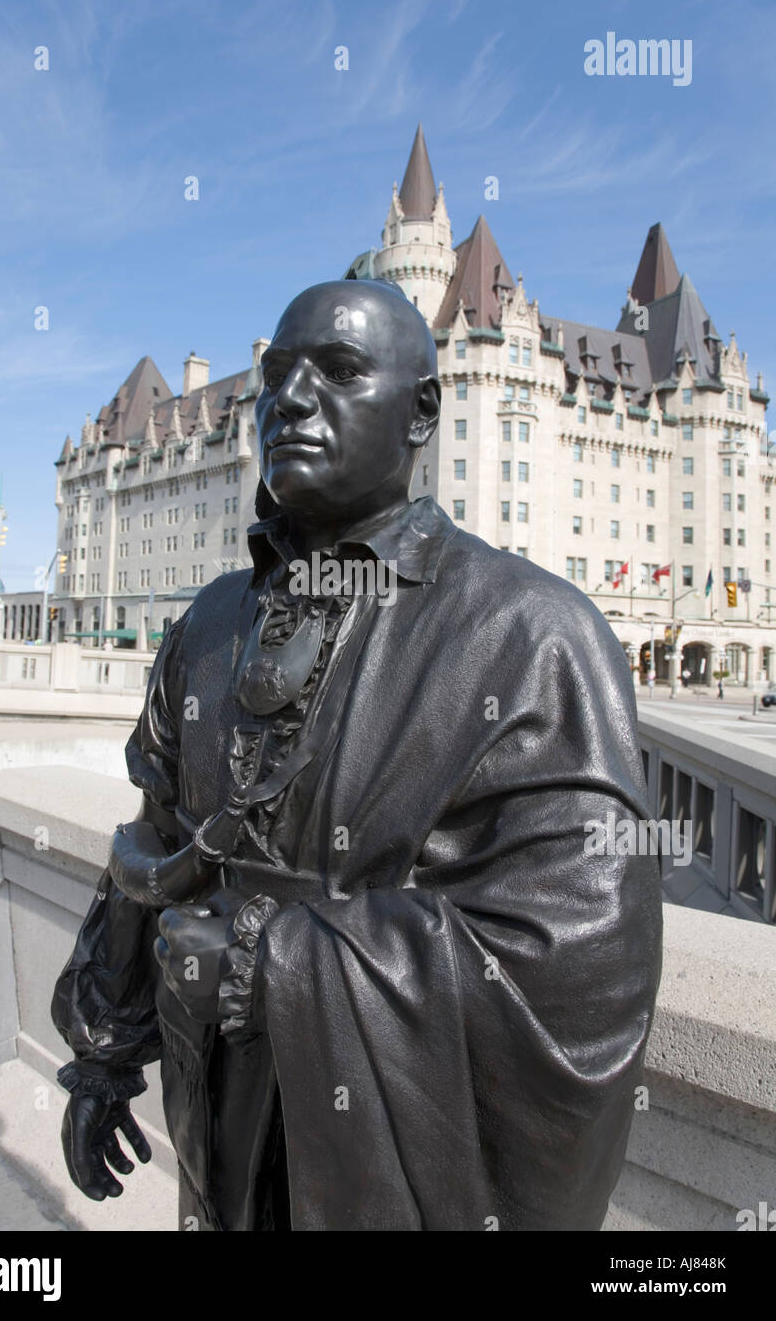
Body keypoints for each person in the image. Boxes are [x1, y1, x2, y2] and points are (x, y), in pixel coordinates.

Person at [52, 278, 662, 1231]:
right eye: (276, 378)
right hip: (214, 1117)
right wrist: (102, 1048)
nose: (290, 401)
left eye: (337, 373)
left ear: (422, 411)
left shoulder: (533, 635)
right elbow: (153, 845)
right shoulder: (209, 626)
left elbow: (578, 960)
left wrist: (274, 965)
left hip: (389, 1171)